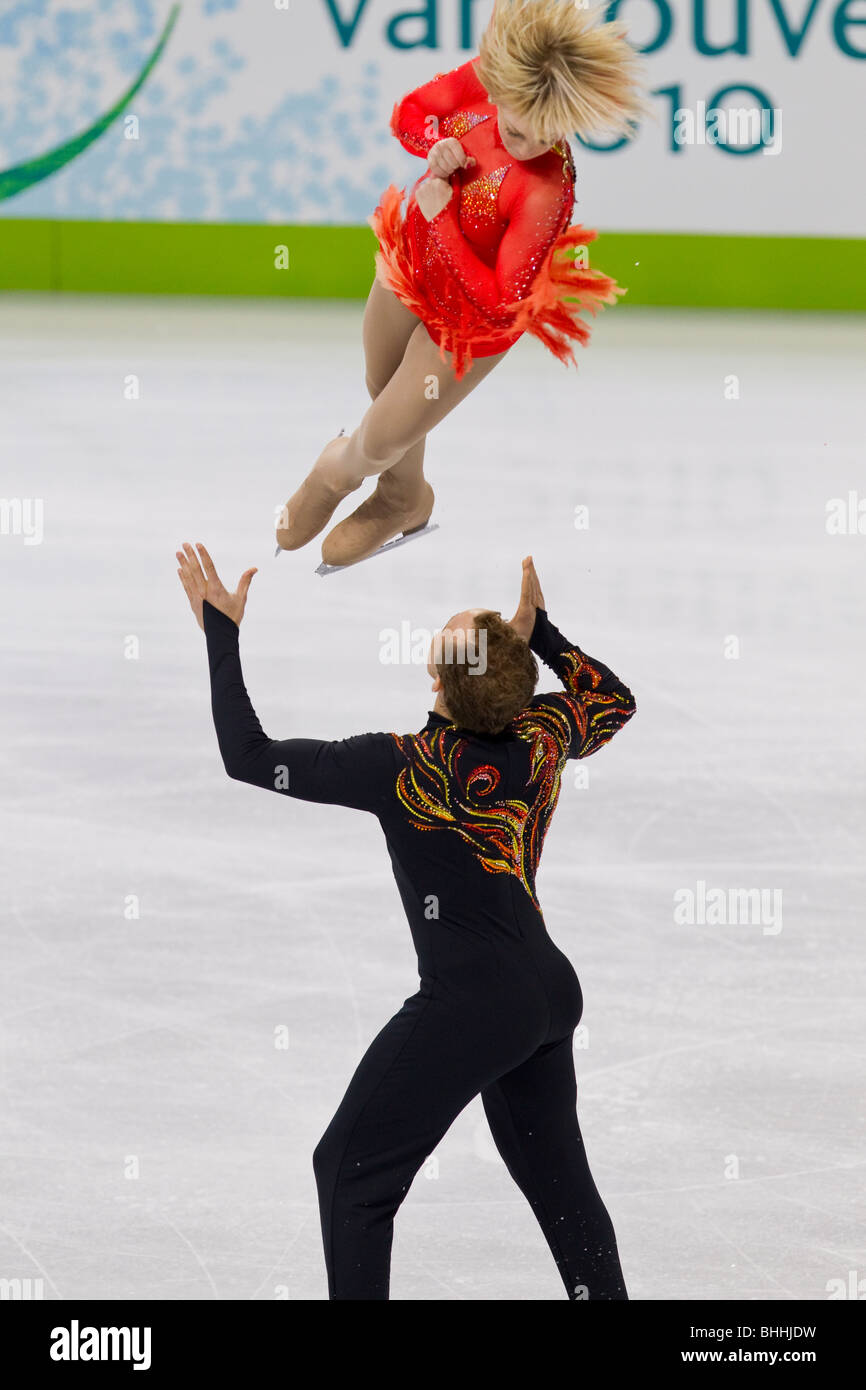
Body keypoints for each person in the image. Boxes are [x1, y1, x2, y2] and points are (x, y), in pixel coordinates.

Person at [177, 542, 637, 1300]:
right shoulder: (545, 736)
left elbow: (248, 755)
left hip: (475, 1003)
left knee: (349, 1174)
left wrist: (220, 633)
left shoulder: (401, 767)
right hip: (548, 995)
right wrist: (543, 635)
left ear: (437, 682)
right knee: (560, 1191)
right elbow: (613, 700)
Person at [276, 0, 645, 569]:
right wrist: (434, 147)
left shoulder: (546, 190)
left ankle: (336, 469)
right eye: (520, 130)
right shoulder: (485, 81)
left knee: (376, 442)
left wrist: (442, 214)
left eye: (551, 133)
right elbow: (408, 116)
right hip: (412, 268)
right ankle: (404, 499)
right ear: (498, 88)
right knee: (382, 386)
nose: (533, 145)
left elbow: (498, 298)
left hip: (470, 324)